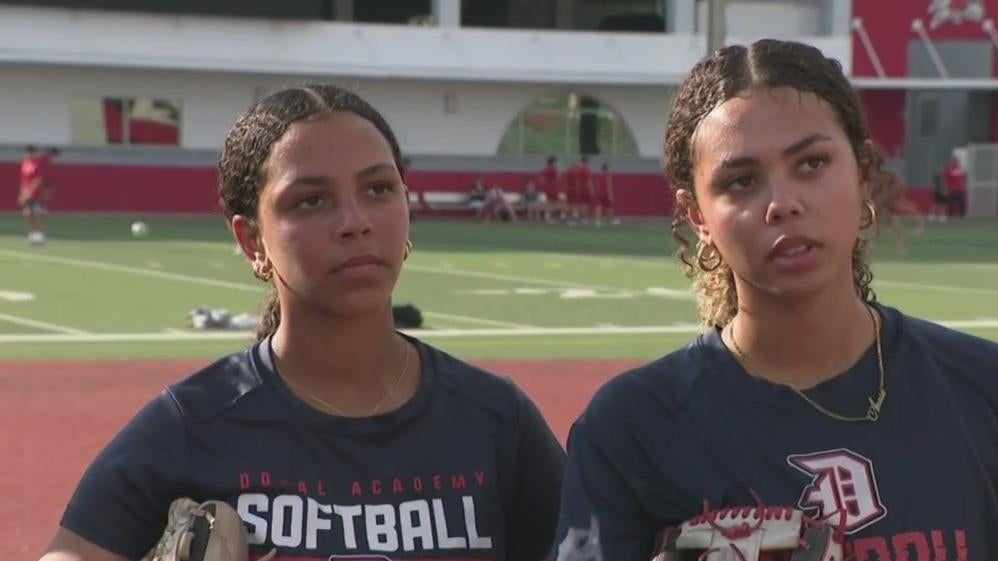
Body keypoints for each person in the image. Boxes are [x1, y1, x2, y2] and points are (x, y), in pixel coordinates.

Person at [41, 84, 564, 561]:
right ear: (252, 242)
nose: (355, 221)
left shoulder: (497, 423)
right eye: (311, 200)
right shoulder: (191, 425)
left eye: (378, 189)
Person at [553, 39, 998, 561]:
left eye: (811, 163)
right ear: (697, 215)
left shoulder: (980, 388)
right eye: (741, 181)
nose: (783, 203)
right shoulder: (632, 427)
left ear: (860, 171)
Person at [17, 145, 45, 245]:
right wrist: (22, 193)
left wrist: (29, 191)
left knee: (36, 214)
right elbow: (23, 181)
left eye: (29, 153)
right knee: (27, 214)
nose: (27, 155)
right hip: (26, 194)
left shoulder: (36, 165)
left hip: (35, 194)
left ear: (33, 154)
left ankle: (39, 236)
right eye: (26, 153)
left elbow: (38, 180)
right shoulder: (24, 164)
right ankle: (32, 234)